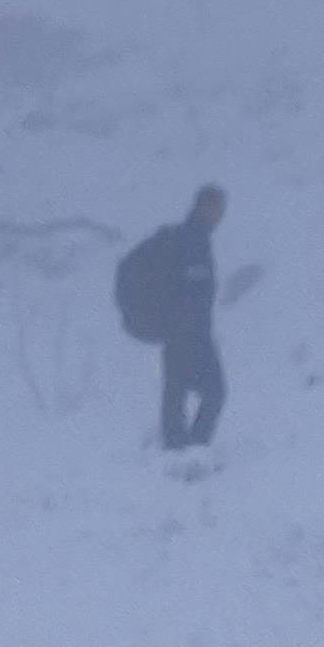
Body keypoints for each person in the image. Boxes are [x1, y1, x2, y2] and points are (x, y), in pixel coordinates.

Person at [115, 180, 226, 451]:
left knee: (204, 392)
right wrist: (162, 318)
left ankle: (189, 448)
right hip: (180, 332)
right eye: (213, 208)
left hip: (195, 333)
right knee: (187, 393)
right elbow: (145, 275)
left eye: (220, 210)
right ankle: (180, 450)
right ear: (199, 206)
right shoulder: (180, 240)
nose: (217, 215)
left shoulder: (199, 241)